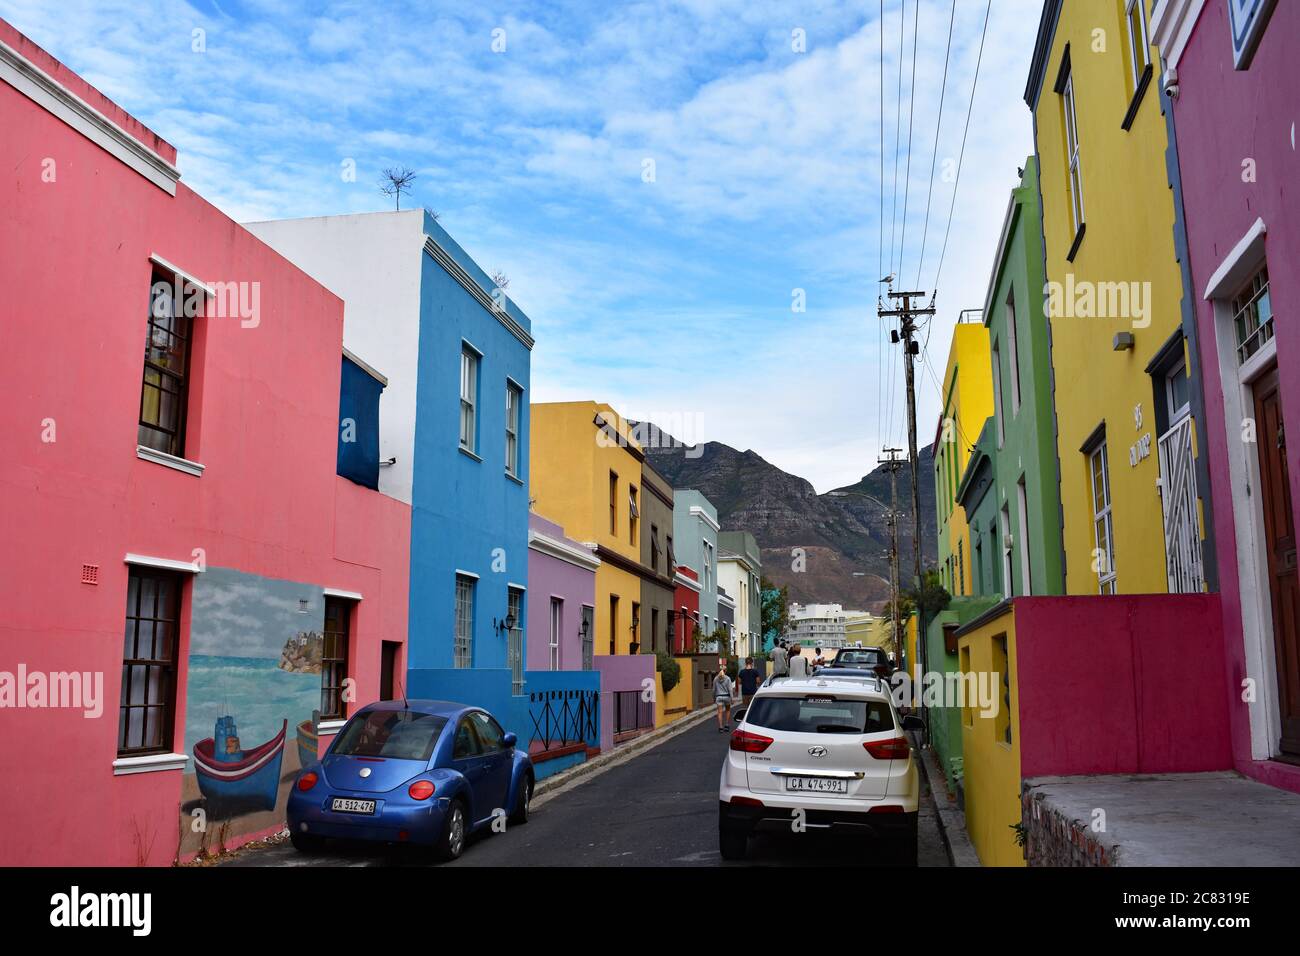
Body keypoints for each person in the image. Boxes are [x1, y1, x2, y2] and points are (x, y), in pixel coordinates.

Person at [713, 666, 735, 732]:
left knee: (720, 712)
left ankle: (720, 727)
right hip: (727, 697)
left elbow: (714, 690)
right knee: (727, 710)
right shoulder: (728, 678)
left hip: (719, 697)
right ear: (725, 671)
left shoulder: (715, 679)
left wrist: (714, 698)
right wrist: (732, 698)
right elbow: (730, 689)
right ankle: (727, 725)